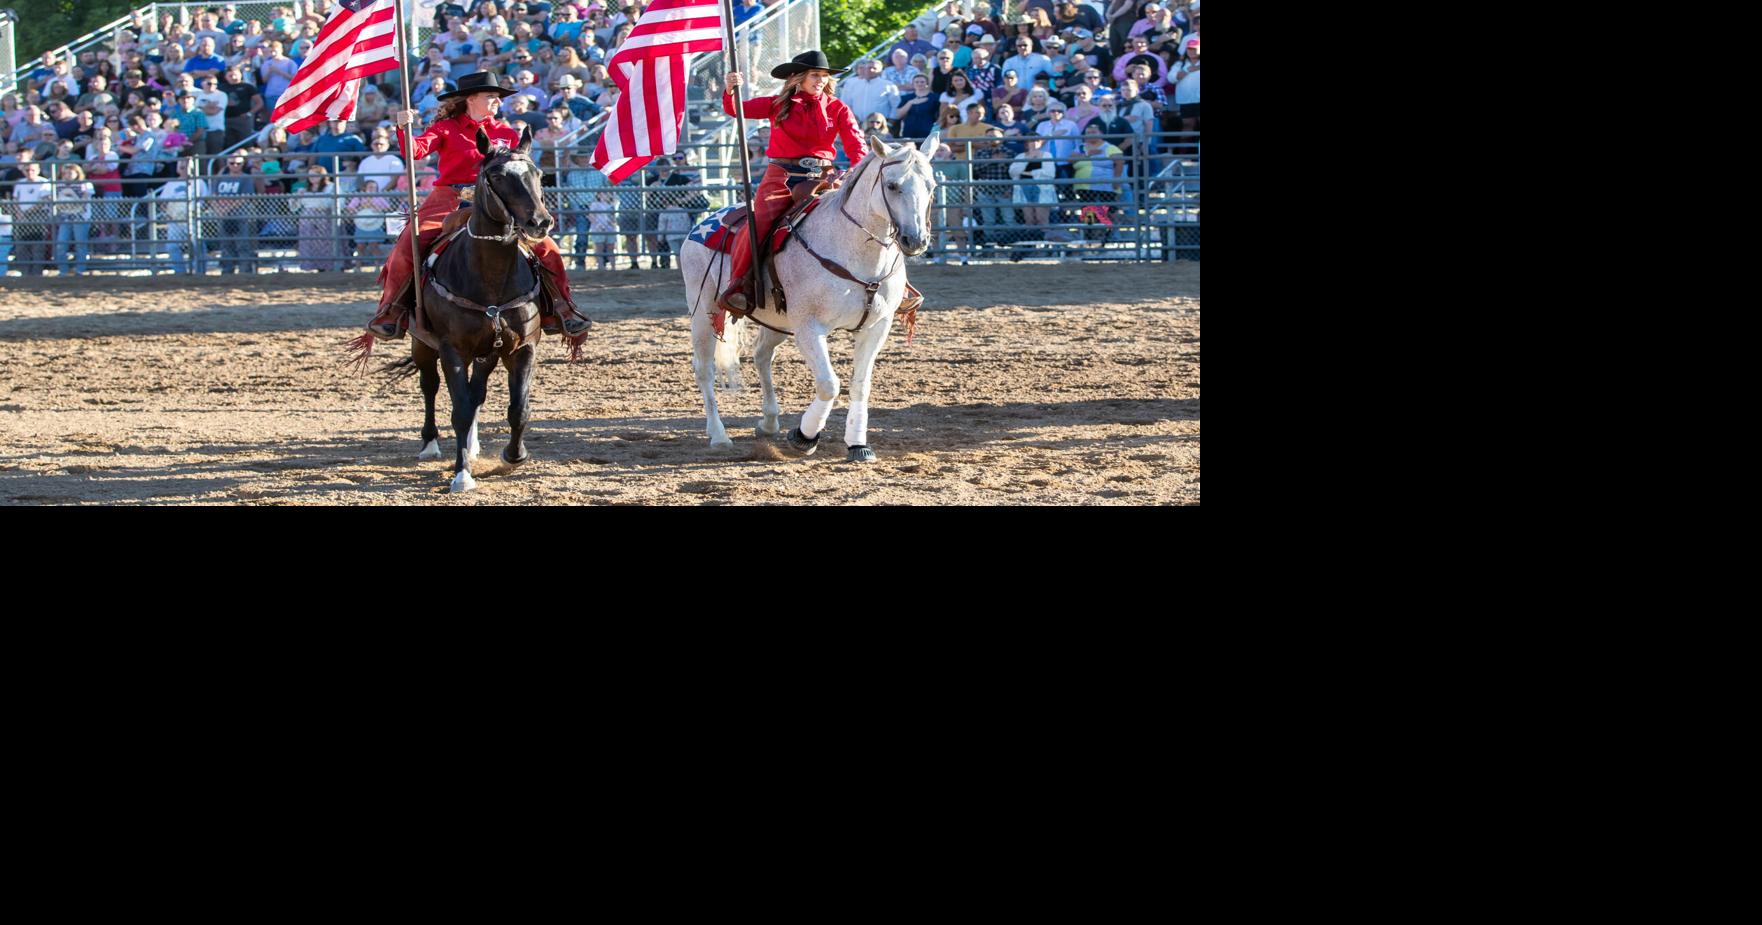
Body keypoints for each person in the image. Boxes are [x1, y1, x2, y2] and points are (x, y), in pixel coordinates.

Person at [364, 71, 590, 340]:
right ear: (471, 99)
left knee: (547, 247)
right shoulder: (446, 128)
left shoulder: (506, 132)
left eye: (498, 97)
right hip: (449, 198)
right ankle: (392, 310)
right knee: (408, 243)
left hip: (498, 201)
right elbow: (414, 151)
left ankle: (561, 309)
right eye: (491, 96)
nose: (498, 101)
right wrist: (404, 128)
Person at [716, 50, 864, 317]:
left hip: (824, 176)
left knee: (861, 216)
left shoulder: (838, 108)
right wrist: (730, 90)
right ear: (798, 77)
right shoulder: (776, 104)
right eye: (815, 75)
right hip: (782, 177)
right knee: (760, 223)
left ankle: (891, 285)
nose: (820, 80)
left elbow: (857, 147)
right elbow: (736, 109)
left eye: (824, 75)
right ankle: (740, 284)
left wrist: (855, 171)